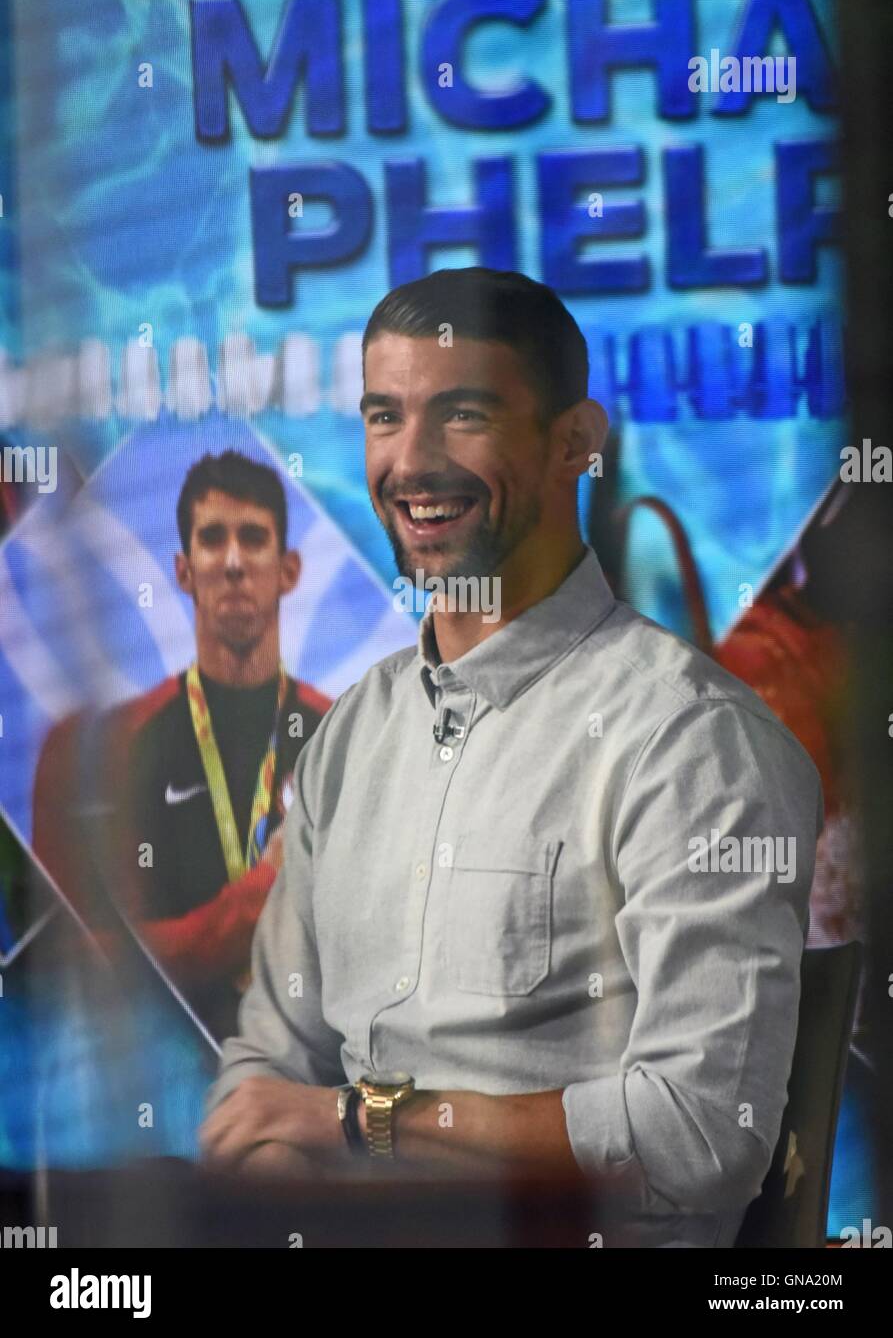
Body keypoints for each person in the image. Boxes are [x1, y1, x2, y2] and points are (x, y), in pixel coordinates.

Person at [201, 268, 823, 1247]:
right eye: (383, 417)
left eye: (462, 416)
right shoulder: (348, 737)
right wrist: (291, 1193)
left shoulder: (693, 741)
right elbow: (268, 1059)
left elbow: (700, 1133)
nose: (410, 463)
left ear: (575, 441)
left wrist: (356, 1121)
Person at [33, 450, 331, 1042]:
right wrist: (243, 914)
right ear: (184, 570)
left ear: (290, 570)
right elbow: (75, 966)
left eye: (254, 538)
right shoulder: (104, 749)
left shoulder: (341, 733)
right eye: (212, 539)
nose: (234, 563)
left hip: (310, 1089)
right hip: (157, 1094)